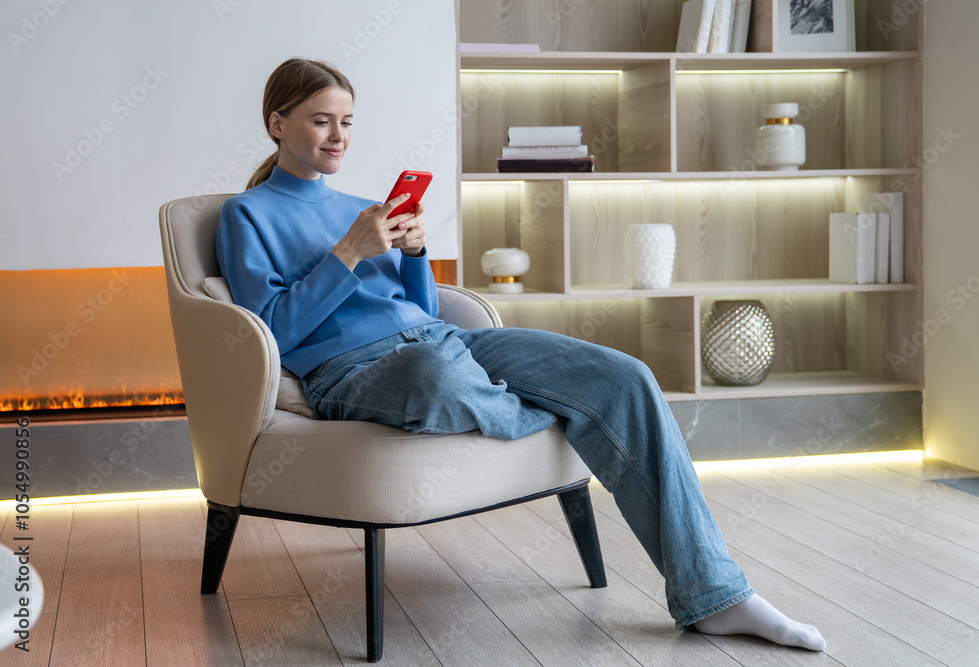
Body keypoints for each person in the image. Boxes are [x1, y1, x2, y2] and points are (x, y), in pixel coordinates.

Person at [216, 57, 826, 652]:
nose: (338, 136)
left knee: (624, 377)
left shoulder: (359, 208)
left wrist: (414, 255)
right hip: (353, 371)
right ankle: (567, 413)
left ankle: (716, 595)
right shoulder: (246, 215)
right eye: (322, 121)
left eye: (347, 122)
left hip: (445, 343)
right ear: (278, 123)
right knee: (437, 379)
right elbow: (271, 331)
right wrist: (348, 253)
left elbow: (423, 313)